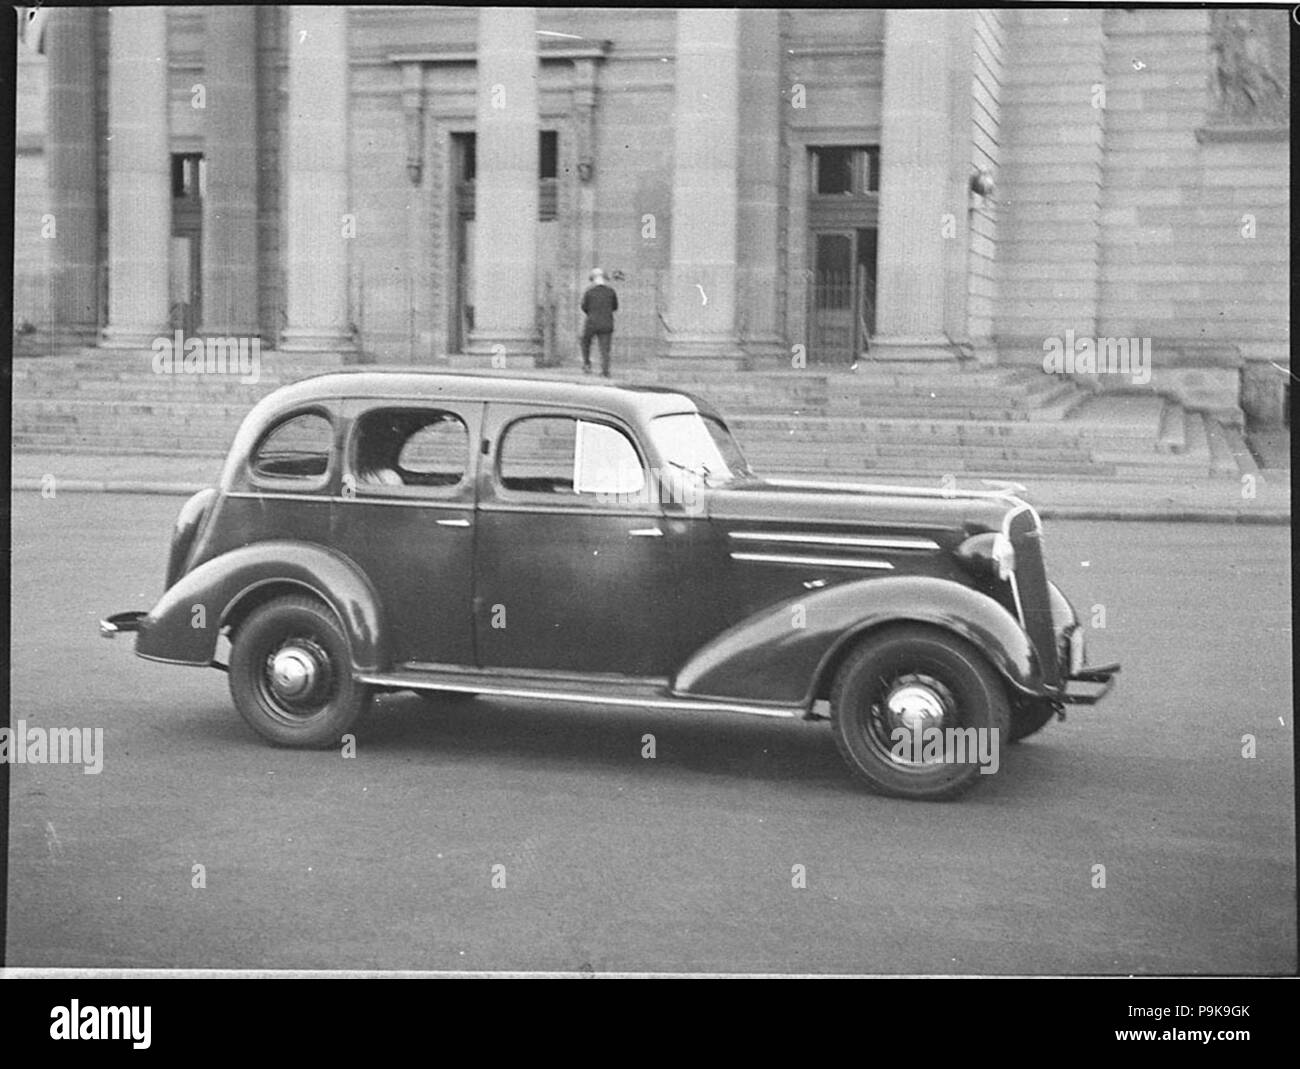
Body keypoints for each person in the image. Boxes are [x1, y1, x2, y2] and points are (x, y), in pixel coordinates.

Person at [579, 268, 619, 377]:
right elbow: (615, 307)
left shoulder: (589, 292)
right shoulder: (611, 291)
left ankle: (587, 364)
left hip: (592, 323)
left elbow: (584, 307)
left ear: (593, 279)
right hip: (606, 323)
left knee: (585, 341)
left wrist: (592, 312)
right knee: (605, 349)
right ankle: (605, 371)